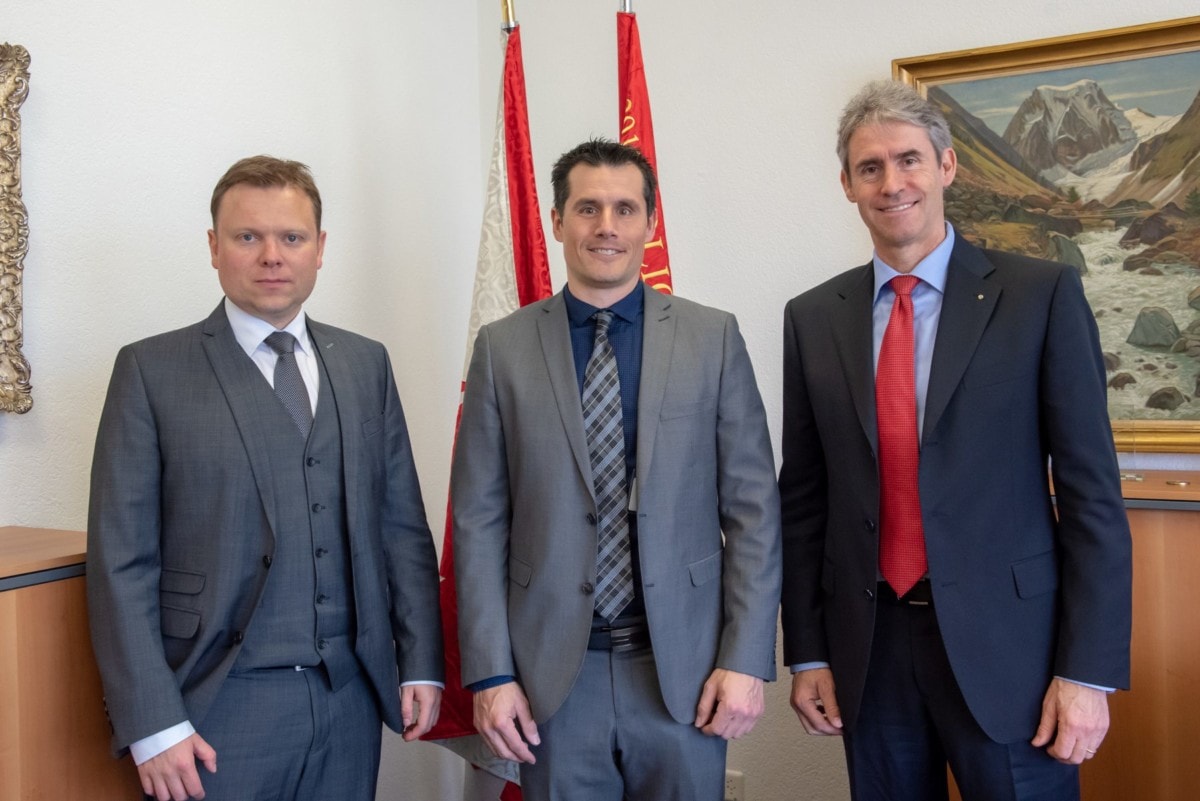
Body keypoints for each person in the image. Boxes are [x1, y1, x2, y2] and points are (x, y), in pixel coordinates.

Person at [779, 80, 1132, 801]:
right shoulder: (813, 317)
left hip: (1017, 658)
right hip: (869, 655)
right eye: (870, 167)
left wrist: (1087, 672)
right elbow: (804, 504)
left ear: (946, 166)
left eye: (908, 159)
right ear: (846, 184)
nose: (892, 182)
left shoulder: (1041, 295)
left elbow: (1093, 496)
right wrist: (807, 651)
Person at [86, 155, 444, 801]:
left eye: (292, 237)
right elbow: (122, 561)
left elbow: (401, 529)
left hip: (350, 700)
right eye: (247, 236)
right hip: (213, 708)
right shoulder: (150, 371)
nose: (271, 255)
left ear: (320, 249)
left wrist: (421, 662)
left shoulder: (365, 363)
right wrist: (153, 723)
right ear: (214, 248)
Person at [451, 138, 781, 800]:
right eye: (588, 208)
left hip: (682, 673)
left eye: (625, 209)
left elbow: (753, 512)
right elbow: (477, 522)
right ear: (556, 220)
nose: (607, 226)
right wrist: (489, 674)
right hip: (550, 678)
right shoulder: (504, 348)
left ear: (650, 223)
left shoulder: (712, 339)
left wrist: (746, 659)